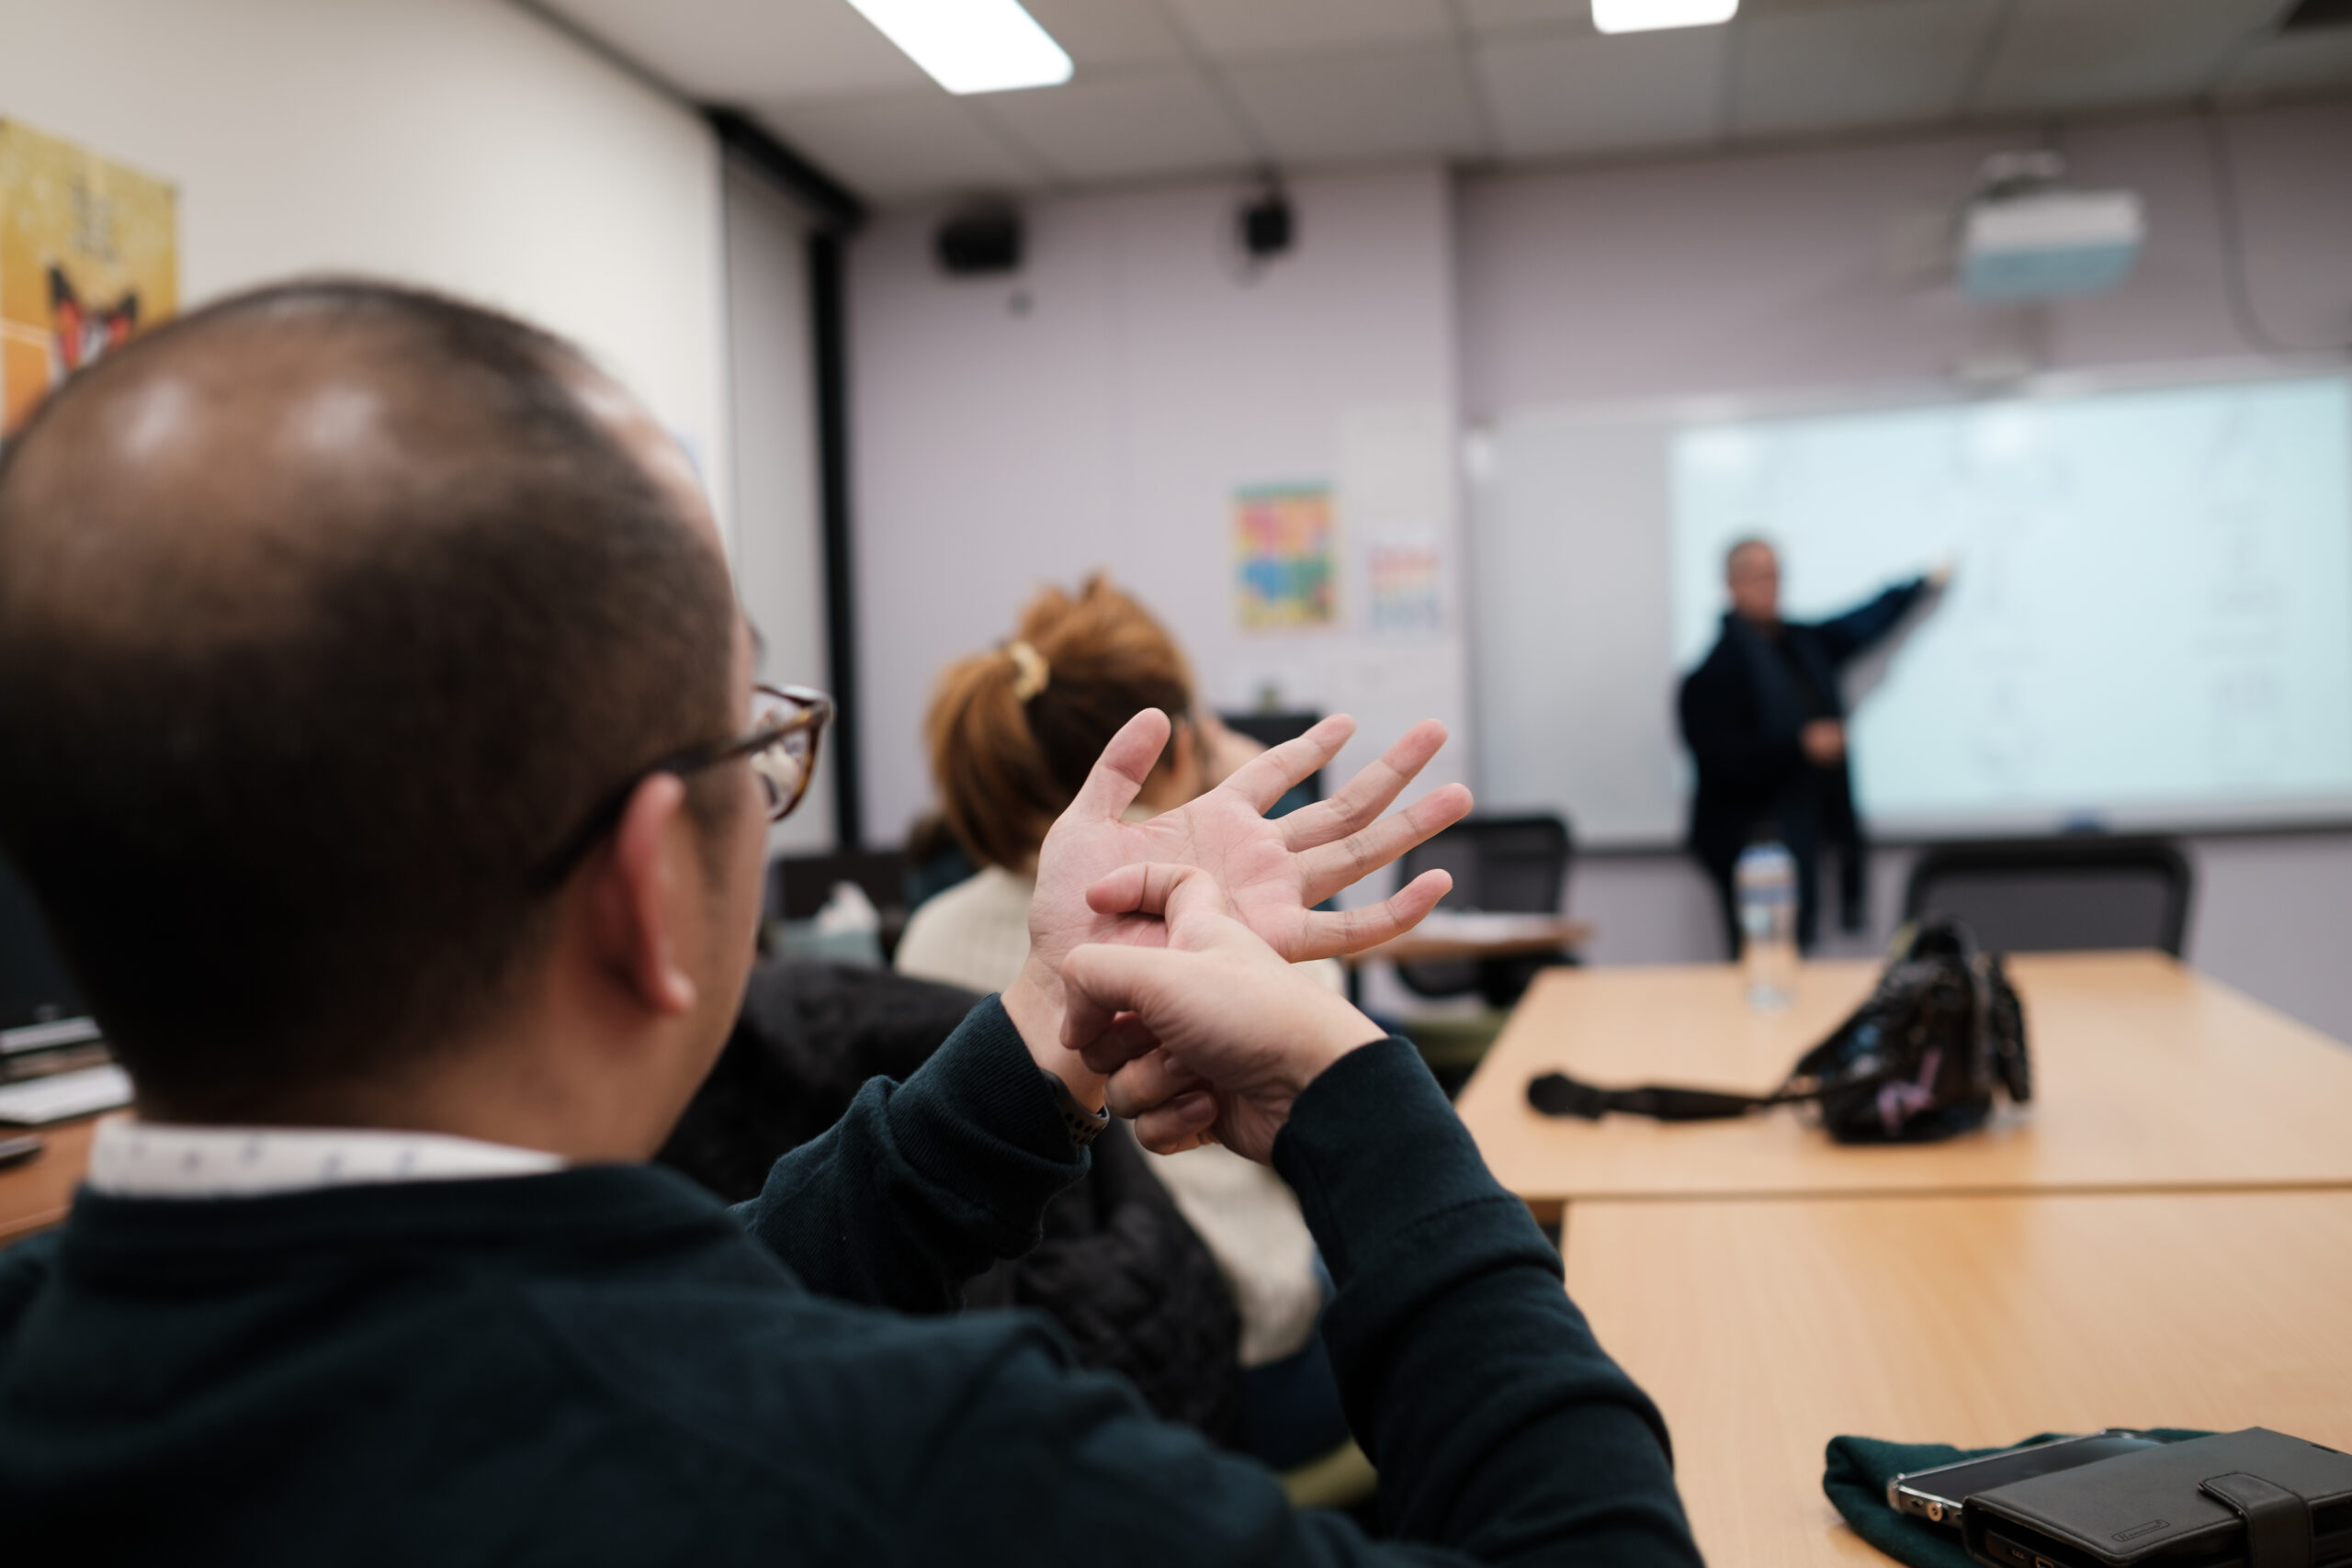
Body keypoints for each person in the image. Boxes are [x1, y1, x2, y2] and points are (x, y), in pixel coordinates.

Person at [0, 280, 1702, 1567]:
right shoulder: (935, 1480)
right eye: (759, 734)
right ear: (650, 881)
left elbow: (546, 1328)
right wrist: (1354, 1092)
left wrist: (1040, 1034)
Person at [896, 579, 1356, 1483]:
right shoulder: (1242, 920)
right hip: (1243, 1376)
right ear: (1183, 747)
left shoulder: (932, 935)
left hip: (1035, 1391)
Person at [1679, 537, 1941, 955]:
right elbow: (1720, 761)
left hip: (1806, 835)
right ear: (1731, 585)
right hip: (1749, 846)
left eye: (1776, 574)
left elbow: (1864, 622)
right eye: (1758, 575)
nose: (1770, 585)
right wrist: (1799, 746)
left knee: (1802, 955)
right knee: (1760, 958)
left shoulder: (1803, 645)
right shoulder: (1710, 675)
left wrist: (1917, 585)